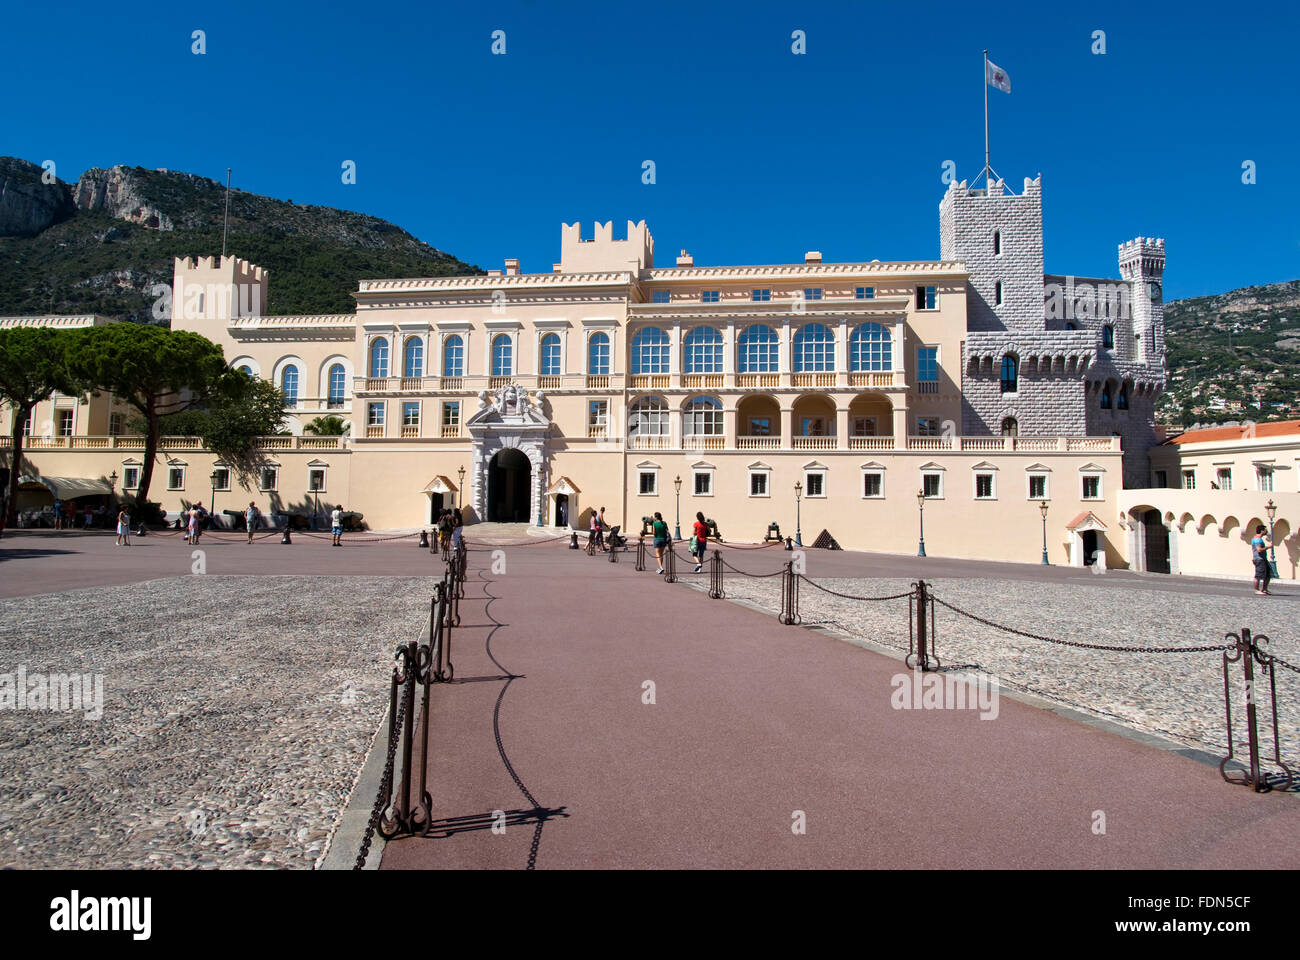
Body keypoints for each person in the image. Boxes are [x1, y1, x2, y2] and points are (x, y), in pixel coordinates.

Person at [1251, 524, 1273, 596]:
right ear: (1262, 531)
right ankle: (1257, 590)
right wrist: (1268, 547)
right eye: (1265, 530)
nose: (1266, 531)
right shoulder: (1257, 539)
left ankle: (1264, 589)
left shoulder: (1257, 538)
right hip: (1259, 559)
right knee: (1258, 575)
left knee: (1268, 574)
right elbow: (1259, 550)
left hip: (1263, 559)